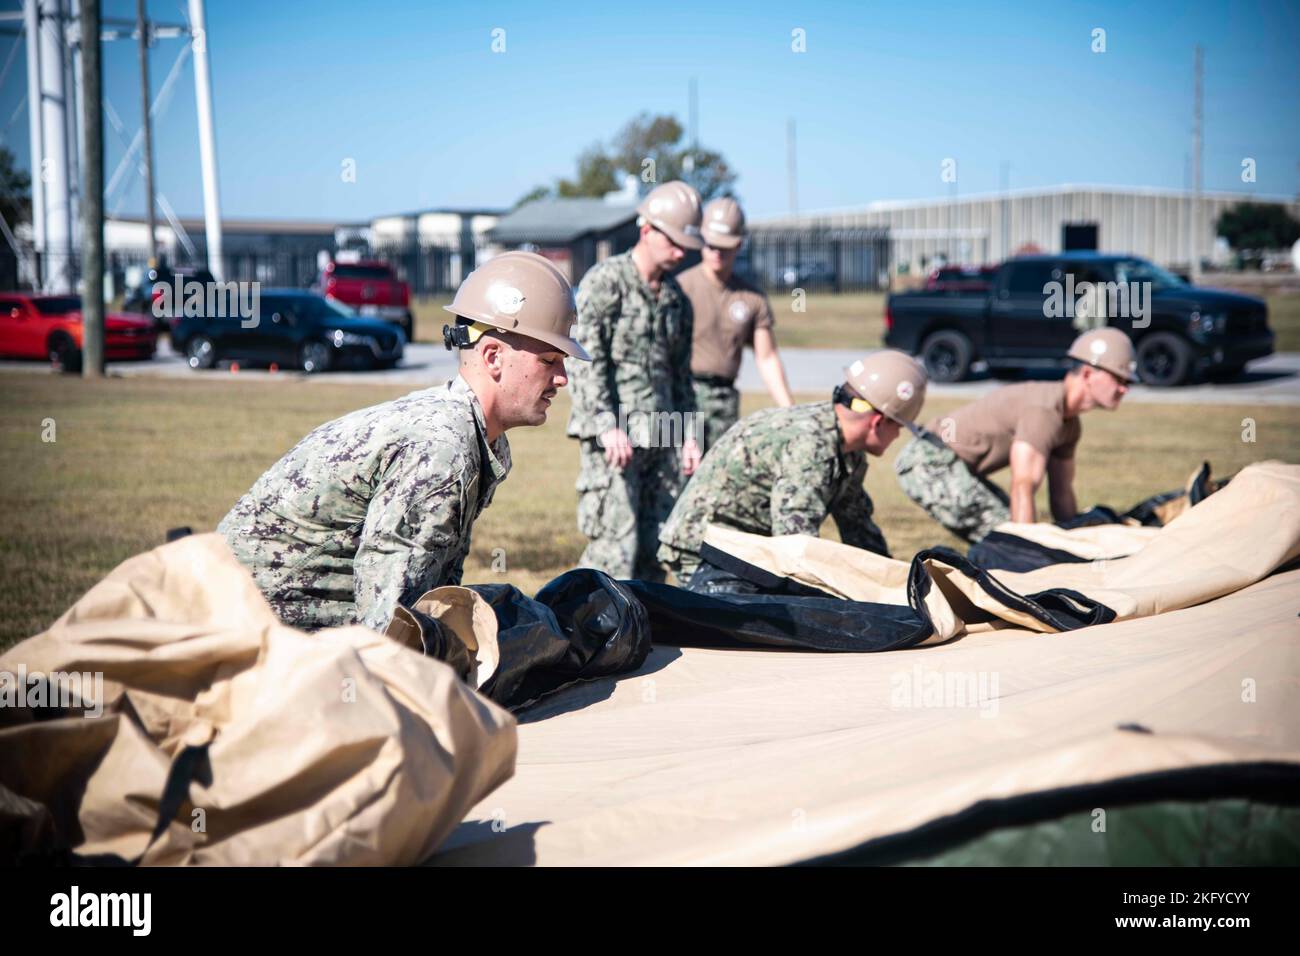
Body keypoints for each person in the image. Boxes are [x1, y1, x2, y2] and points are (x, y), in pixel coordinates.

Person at [217, 251, 589, 631]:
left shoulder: (469, 433)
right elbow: (391, 626)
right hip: (237, 630)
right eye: (548, 360)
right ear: (492, 357)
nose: (562, 378)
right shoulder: (442, 451)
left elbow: (428, 589)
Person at [658, 350, 929, 588]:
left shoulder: (847, 449)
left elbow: (858, 527)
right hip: (705, 549)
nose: (897, 437)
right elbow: (796, 549)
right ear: (878, 422)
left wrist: (892, 585)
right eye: (899, 426)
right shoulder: (811, 447)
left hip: (743, 550)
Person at [566, 180, 705, 581]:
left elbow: (680, 376)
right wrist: (608, 426)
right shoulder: (605, 282)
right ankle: (590, 636)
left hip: (662, 438)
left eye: (686, 245)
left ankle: (646, 638)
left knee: (656, 551)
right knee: (613, 552)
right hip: (617, 441)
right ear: (647, 231)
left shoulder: (677, 298)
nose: (681, 253)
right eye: (675, 242)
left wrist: (689, 435)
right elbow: (585, 361)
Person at [894, 327, 1135, 543]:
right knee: (1009, 539)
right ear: (1087, 374)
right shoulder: (1044, 411)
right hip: (928, 461)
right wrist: (1027, 555)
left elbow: (1061, 495)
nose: (1124, 388)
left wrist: (1075, 540)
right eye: (1118, 378)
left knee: (1014, 533)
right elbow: (1023, 486)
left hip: (951, 464)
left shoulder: (1069, 425)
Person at [677, 197, 794, 453]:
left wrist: (789, 411)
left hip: (724, 402)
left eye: (724, 247)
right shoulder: (680, 289)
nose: (716, 253)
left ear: (739, 245)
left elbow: (767, 358)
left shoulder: (752, 298)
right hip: (683, 398)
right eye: (710, 245)